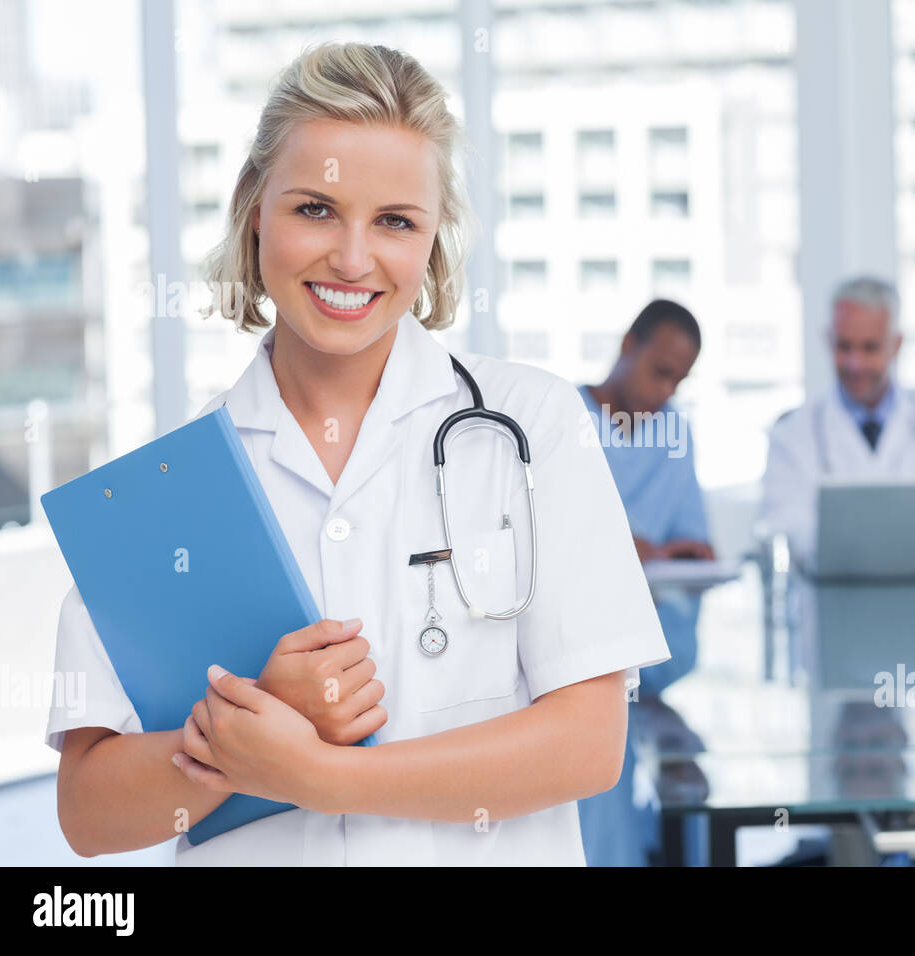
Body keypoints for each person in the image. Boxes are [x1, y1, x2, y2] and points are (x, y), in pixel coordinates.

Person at [43, 42, 669, 866]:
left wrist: (316, 773)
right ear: (254, 210)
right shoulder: (164, 493)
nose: (351, 258)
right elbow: (90, 814)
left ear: (433, 241)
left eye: (395, 222)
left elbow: (587, 745)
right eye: (314, 209)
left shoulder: (532, 426)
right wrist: (252, 718)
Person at [574, 299, 714, 865]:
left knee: (688, 792)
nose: (666, 393)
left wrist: (692, 556)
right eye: (660, 372)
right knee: (598, 801)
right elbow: (546, 536)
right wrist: (631, 549)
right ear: (628, 344)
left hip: (657, 653)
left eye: (678, 381)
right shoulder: (560, 417)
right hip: (584, 654)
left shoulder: (675, 434)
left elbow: (692, 545)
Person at [759, 276, 915, 579]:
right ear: (829, 341)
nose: (855, 363)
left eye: (870, 348)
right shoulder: (794, 433)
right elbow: (780, 529)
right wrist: (911, 539)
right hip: (832, 612)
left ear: (896, 345)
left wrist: (863, 541)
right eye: (844, 347)